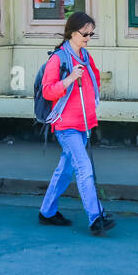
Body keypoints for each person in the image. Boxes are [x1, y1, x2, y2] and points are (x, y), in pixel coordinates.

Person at [38, 12, 115, 236]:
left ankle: (47, 212)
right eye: (85, 33)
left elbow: (95, 79)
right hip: (66, 124)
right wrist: (70, 78)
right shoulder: (58, 59)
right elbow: (48, 91)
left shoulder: (85, 56)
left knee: (65, 169)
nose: (89, 37)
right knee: (84, 168)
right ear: (72, 32)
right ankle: (96, 217)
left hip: (84, 122)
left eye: (92, 33)